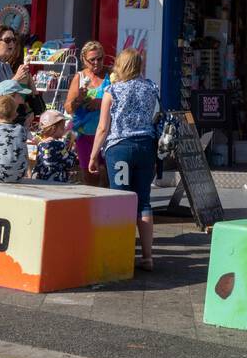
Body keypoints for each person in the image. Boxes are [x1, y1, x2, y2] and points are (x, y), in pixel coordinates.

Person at [88, 49, 160, 271]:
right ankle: (147, 256)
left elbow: (102, 128)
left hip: (119, 149)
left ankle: (123, 253)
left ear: (120, 65)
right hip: (146, 147)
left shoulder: (112, 91)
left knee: (121, 199)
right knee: (144, 201)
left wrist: (93, 156)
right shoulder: (151, 88)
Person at [64, 40, 111, 186]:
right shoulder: (79, 77)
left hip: (109, 135)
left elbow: (122, 100)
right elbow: (68, 108)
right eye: (92, 60)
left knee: (109, 177)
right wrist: (79, 99)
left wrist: (100, 102)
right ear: (84, 60)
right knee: (90, 177)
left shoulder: (111, 75)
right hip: (85, 135)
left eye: (100, 58)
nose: (96, 63)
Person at [33, 110, 78, 183]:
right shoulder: (59, 145)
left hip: (41, 180)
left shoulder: (40, 144)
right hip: (56, 181)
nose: (64, 130)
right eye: (62, 128)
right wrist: (73, 152)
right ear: (54, 128)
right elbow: (69, 163)